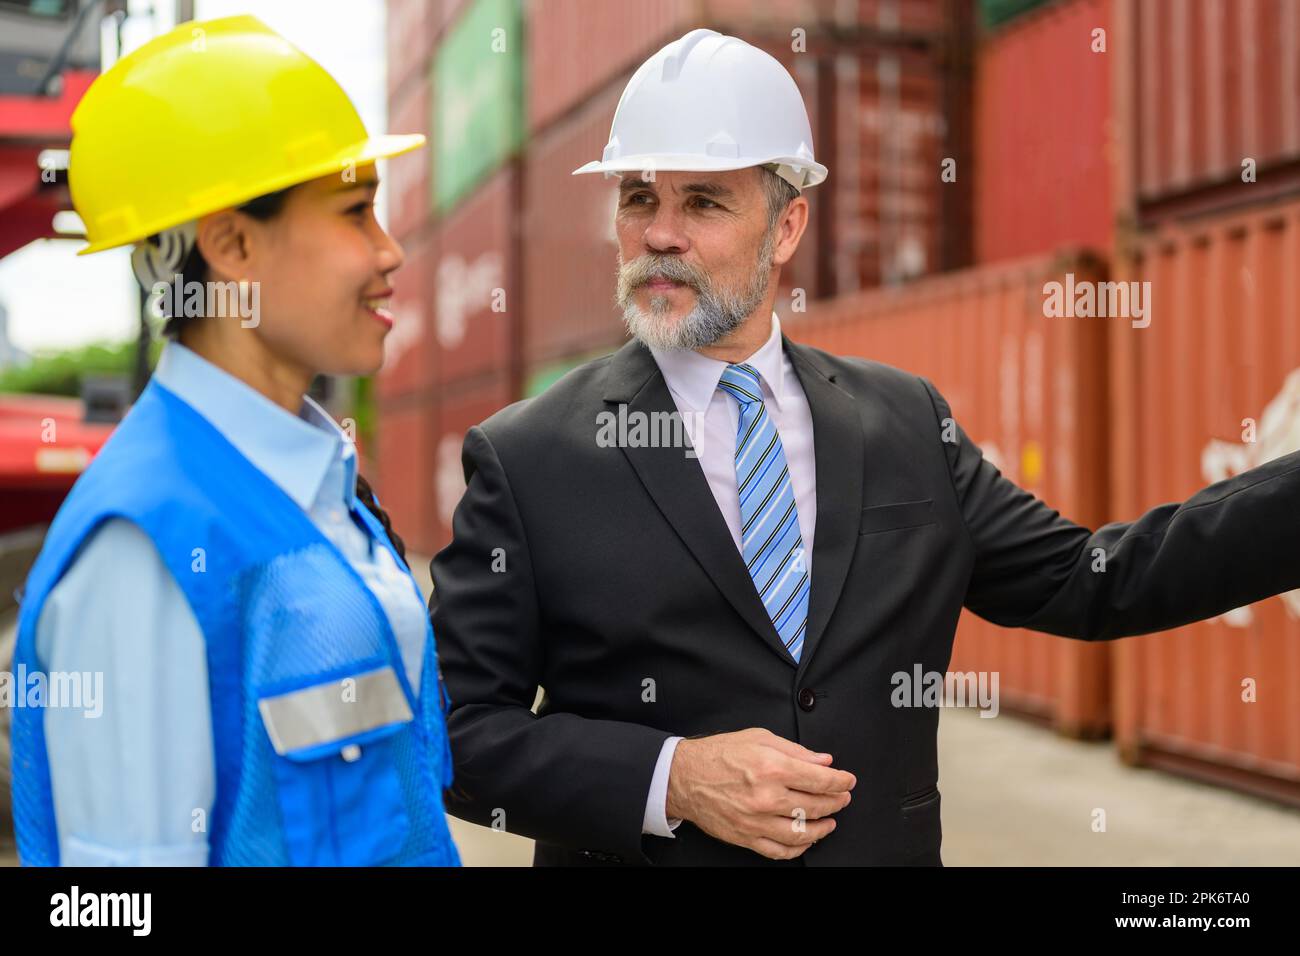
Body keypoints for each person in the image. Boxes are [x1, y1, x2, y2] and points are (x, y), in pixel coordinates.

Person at [428, 27, 1300, 866]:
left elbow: (1094, 584)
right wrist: (673, 780)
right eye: (638, 198)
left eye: (703, 201)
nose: (660, 232)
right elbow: (457, 734)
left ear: (788, 228)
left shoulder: (905, 420)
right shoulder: (528, 457)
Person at [11, 15, 460, 867]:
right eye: (356, 212)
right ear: (231, 243)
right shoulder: (143, 545)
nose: (390, 250)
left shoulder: (323, 491)